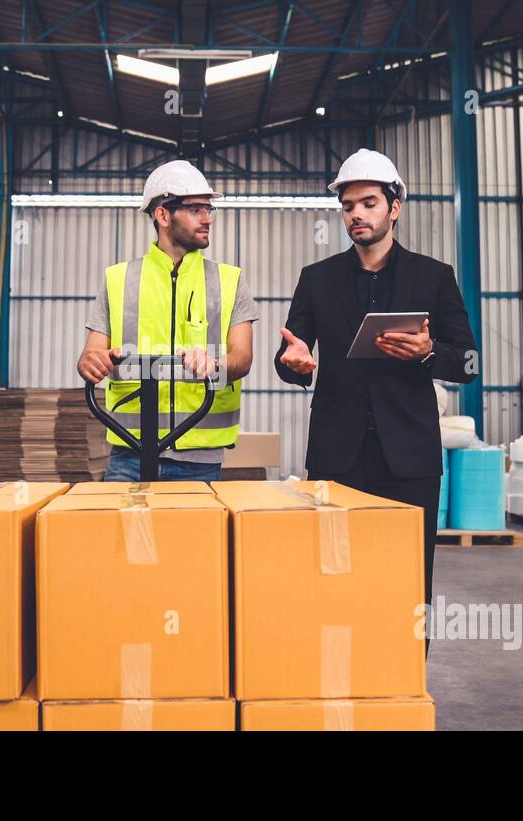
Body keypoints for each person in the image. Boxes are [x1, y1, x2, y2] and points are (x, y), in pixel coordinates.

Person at [274, 148, 479, 644]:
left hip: (408, 460)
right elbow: (290, 354)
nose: (357, 214)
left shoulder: (434, 277)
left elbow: (467, 363)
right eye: (348, 206)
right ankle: (340, 681)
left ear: (395, 207)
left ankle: (401, 685)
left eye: (368, 203)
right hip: (336, 457)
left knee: (408, 582)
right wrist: (294, 365)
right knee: (333, 577)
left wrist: (429, 352)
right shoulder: (316, 279)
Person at [78, 160, 258, 481]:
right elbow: (91, 354)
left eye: (209, 209)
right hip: (128, 452)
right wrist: (93, 363)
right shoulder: (118, 279)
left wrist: (214, 364)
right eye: (196, 209)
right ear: (163, 215)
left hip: (199, 458)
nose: (207, 219)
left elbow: (242, 358)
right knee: (125, 533)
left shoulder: (229, 281)